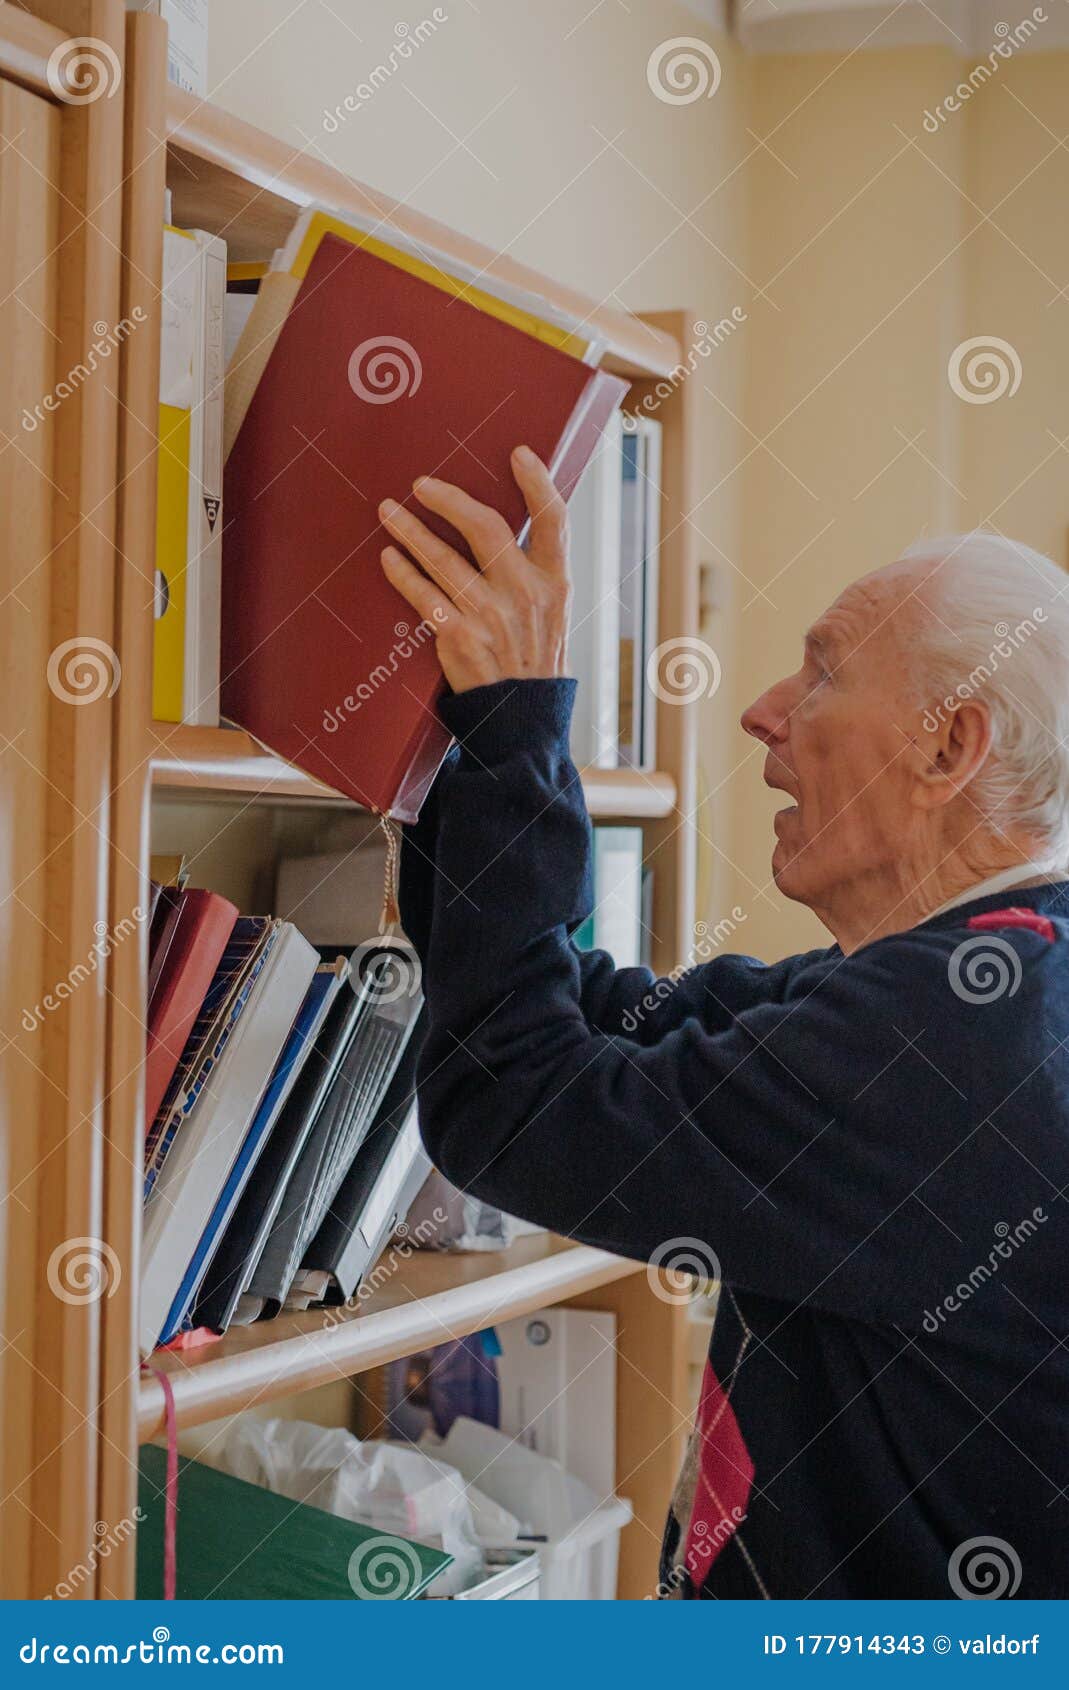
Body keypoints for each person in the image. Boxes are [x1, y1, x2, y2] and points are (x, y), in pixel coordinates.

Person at [378, 448, 1069, 1599]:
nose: (762, 713)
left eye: (823, 674)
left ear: (949, 748)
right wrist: (465, 727)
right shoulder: (983, 986)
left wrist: (516, 723)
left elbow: (514, 1104)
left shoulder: (954, 1042)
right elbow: (579, 1013)